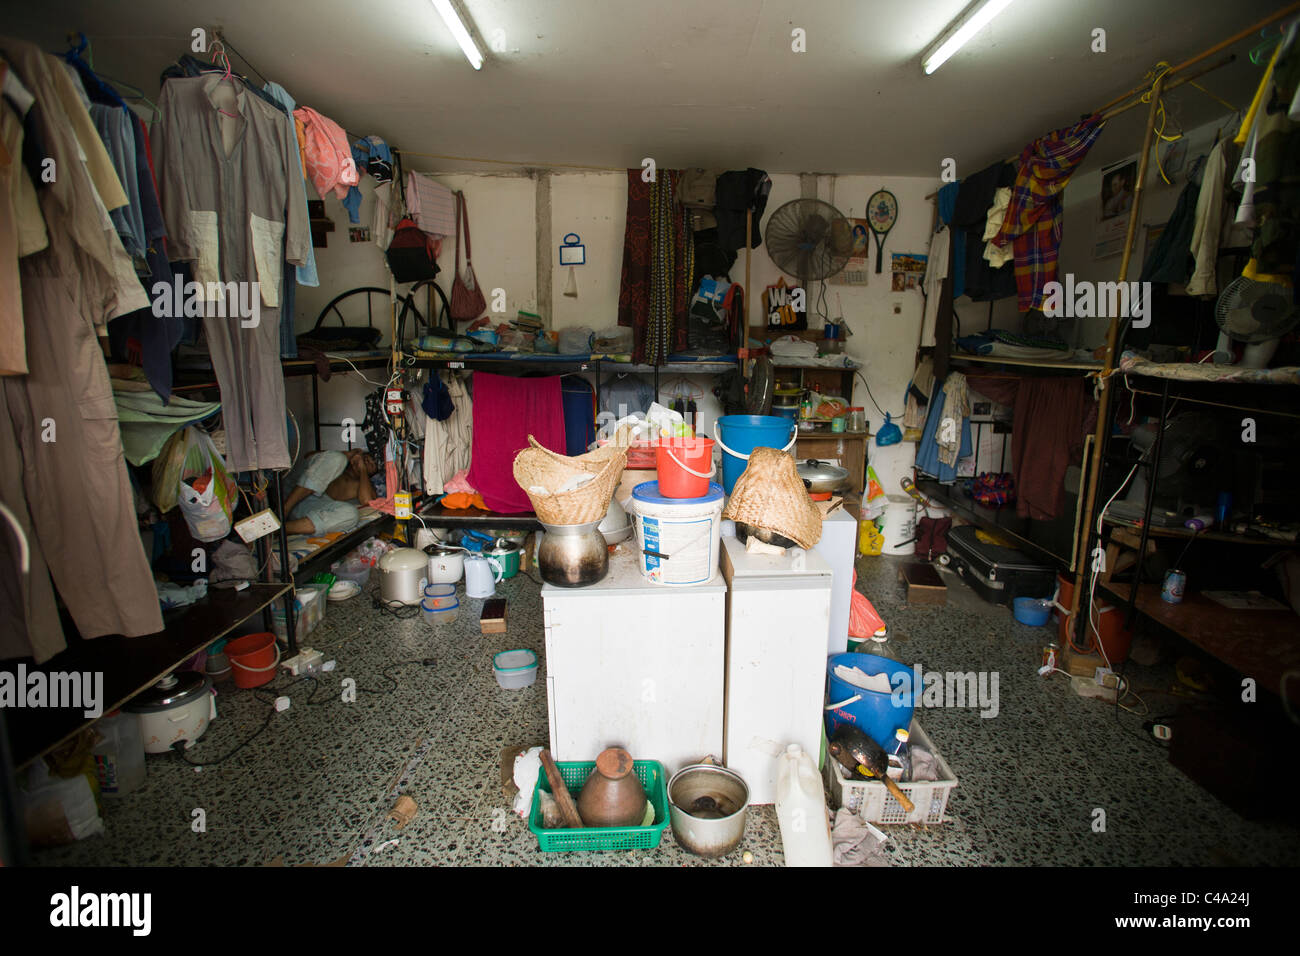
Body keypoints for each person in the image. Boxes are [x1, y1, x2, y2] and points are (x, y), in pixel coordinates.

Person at [280, 449, 377, 535]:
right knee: (338, 458)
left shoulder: (364, 485)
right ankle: (283, 510)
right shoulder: (339, 462)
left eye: (371, 465)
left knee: (351, 514)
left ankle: (279, 530)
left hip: (306, 508)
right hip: (291, 489)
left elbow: (367, 501)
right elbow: (308, 455)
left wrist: (363, 470)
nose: (366, 463)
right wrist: (347, 454)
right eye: (365, 459)